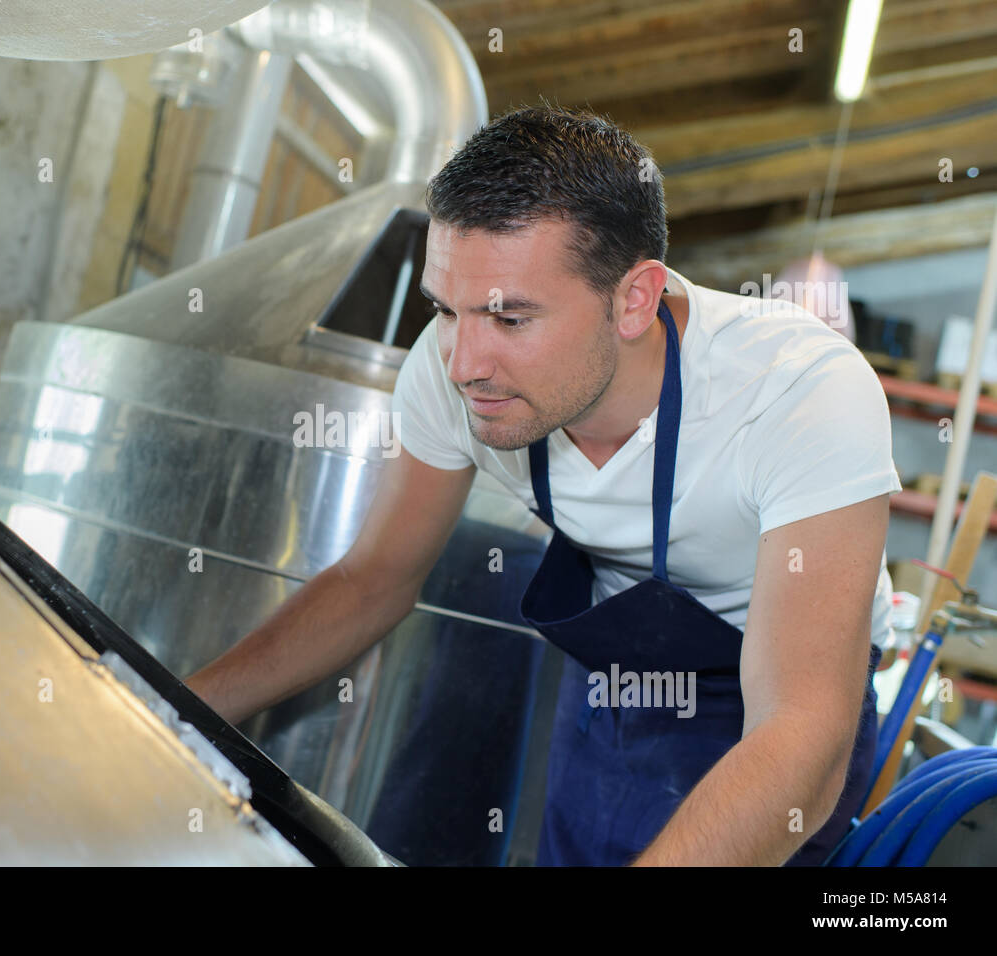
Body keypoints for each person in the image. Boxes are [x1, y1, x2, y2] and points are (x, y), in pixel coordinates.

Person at [186, 105, 902, 866]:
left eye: (511, 318)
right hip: (617, 680)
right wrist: (170, 709)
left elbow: (801, 731)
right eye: (445, 309)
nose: (464, 363)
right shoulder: (450, 367)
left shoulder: (797, 393)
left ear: (633, 300)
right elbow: (372, 580)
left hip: (784, 694)